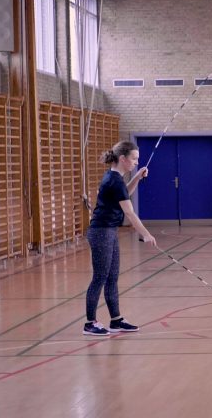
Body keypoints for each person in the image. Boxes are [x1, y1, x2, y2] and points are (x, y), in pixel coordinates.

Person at [83, 141, 157, 336]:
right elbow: (129, 212)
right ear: (123, 158)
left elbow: (124, 194)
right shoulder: (114, 180)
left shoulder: (116, 178)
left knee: (112, 277)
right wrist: (145, 234)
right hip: (101, 232)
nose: (136, 162)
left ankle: (116, 320)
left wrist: (137, 177)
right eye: (134, 159)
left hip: (109, 231)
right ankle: (90, 323)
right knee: (100, 277)